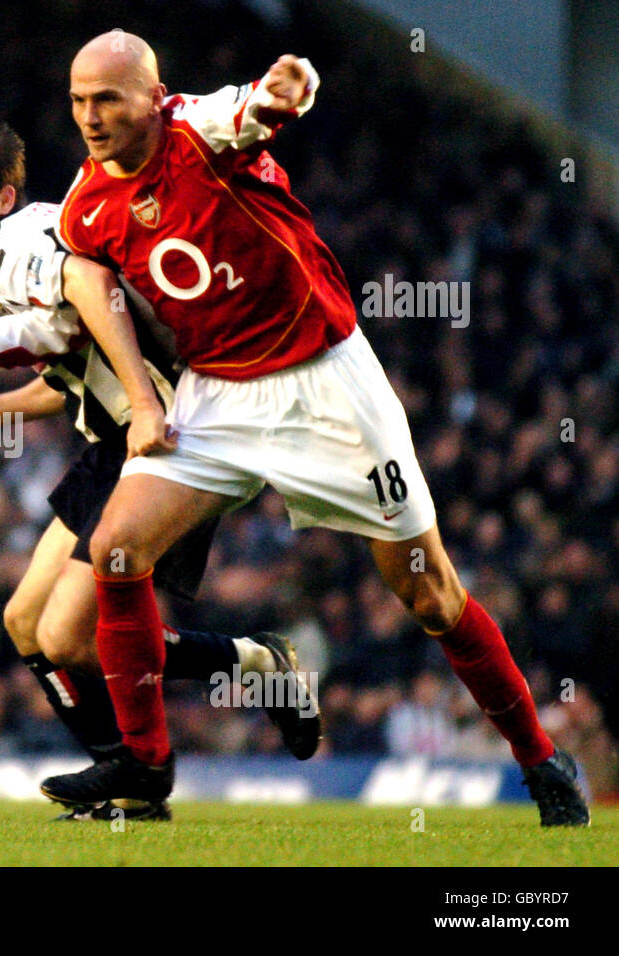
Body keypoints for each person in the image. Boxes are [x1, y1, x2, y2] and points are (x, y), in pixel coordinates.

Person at [36, 31, 589, 827]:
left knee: (429, 594)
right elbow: (87, 274)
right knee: (119, 550)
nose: (90, 116)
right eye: (79, 101)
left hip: (325, 384)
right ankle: (145, 765)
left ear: (154, 99)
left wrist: (288, 86)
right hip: (219, 393)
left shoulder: (198, 131)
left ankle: (542, 760)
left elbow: (259, 105)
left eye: (108, 100)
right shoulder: (87, 208)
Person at [0, 124, 320, 819]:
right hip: (117, 439)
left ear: (1, 197)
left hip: (161, 435)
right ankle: (124, 785)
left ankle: (254, 667)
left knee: (67, 636)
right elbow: (64, 372)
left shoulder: (17, 248)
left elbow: (87, 285)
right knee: (26, 621)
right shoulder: (33, 239)